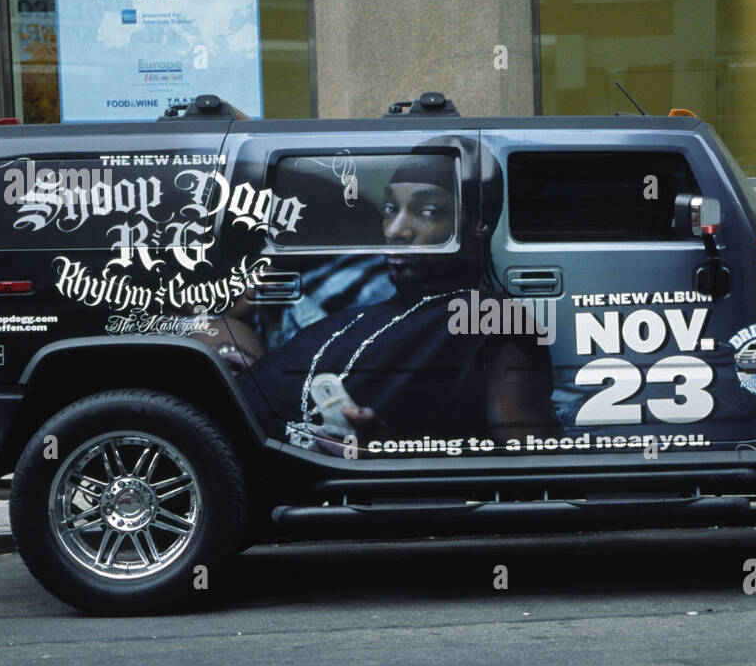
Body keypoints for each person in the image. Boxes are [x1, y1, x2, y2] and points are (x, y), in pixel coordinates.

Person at [239, 151, 561, 455]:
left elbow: (534, 461)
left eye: (428, 212)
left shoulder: (485, 317)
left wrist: (391, 452)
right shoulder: (360, 315)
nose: (394, 231)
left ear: (478, 225)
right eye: (391, 210)